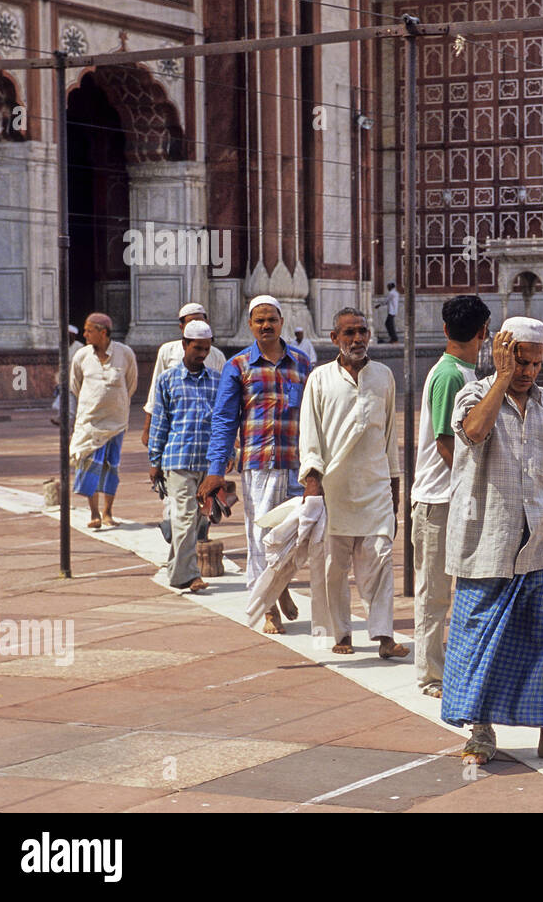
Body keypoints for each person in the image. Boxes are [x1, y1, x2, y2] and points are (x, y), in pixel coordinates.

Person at [442, 317, 543, 767]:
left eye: (535, 363)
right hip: (485, 541)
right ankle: (480, 734)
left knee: (542, 643)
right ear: (500, 351)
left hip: (540, 546)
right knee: (477, 643)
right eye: (520, 361)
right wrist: (501, 380)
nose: (528, 372)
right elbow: (472, 433)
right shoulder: (473, 393)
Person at [199, 295, 313, 634]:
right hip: (259, 465)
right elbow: (223, 419)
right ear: (250, 325)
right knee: (261, 535)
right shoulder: (238, 366)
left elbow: (315, 413)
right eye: (259, 320)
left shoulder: (302, 363)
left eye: (271, 319)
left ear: (281, 321)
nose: (266, 325)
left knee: (298, 536)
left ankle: (280, 588)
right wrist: (216, 469)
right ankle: (267, 609)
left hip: (298, 461)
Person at [299, 308, 409, 659]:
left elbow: (390, 435)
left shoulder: (383, 376)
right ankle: (341, 633)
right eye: (349, 333)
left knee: (379, 559)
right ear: (335, 338)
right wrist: (313, 483)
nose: (357, 339)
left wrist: (394, 488)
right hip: (335, 489)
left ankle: (384, 634)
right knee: (335, 567)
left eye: (362, 331)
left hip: (375, 485)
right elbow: (310, 435)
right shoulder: (319, 379)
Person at [412, 295, 490, 696]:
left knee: (452, 588)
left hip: (452, 497)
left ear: (446, 329)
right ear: (483, 332)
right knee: (434, 590)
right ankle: (430, 673)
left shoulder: (463, 372)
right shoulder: (449, 376)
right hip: (437, 498)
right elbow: (447, 443)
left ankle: (447, 666)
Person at [148, 320, 220, 593]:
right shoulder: (167, 380)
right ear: (185, 345)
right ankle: (189, 575)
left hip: (207, 461)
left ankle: (176, 570)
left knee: (198, 520)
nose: (201, 354)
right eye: (197, 348)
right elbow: (160, 422)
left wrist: (226, 454)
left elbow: (224, 421)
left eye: (206, 349)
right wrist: (154, 461)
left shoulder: (217, 381)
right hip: (177, 459)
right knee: (185, 518)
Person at [69, 313, 137, 529]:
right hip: (90, 423)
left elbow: (131, 384)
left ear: (103, 332)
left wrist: (114, 404)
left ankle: (108, 512)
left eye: (89, 330)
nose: (85, 334)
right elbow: (75, 385)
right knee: (90, 465)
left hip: (115, 423)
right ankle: (94, 513)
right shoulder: (81, 356)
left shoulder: (124, 354)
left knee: (110, 466)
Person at [140, 303, 227, 447]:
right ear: (182, 327)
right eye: (191, 322)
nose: (202, 354)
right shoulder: (168, 351)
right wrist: (147, 428)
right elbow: (156, 391)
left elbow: (224, 398)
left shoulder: (217, 355)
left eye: (200, 321)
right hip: (176, 423)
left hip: (205, 430)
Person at [50, 324, 84, 426]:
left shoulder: (80, 347)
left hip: (75, 379)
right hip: (65, 379)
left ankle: (70, 421)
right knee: (63, 399)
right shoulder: (63, 347)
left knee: (72, 401)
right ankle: (61, 417)